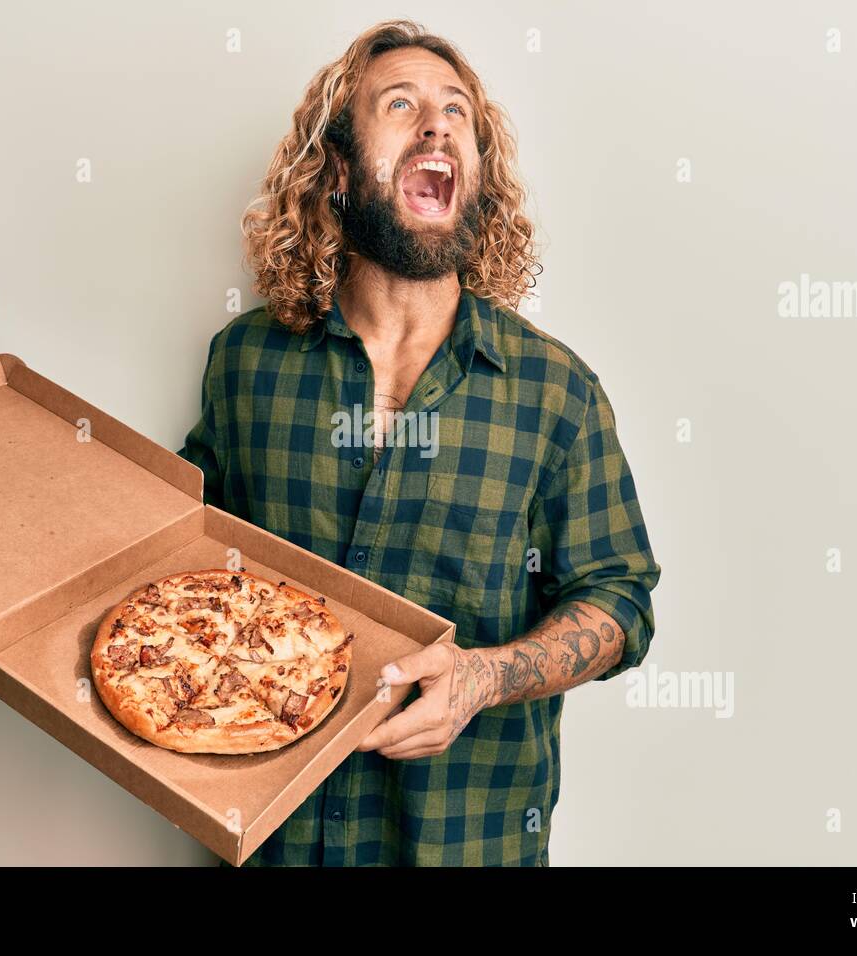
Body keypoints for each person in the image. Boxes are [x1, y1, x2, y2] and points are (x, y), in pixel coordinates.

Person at [179, 19, 660, 866]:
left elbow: (621, 600)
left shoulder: (556, 394)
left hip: (465, 845)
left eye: (457, 113)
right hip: (271, 845)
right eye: (400, 105)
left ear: (477, 171)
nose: (437, 125)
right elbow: (185, 564)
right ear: (334, 168)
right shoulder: (245, 364)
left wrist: (483, 677)